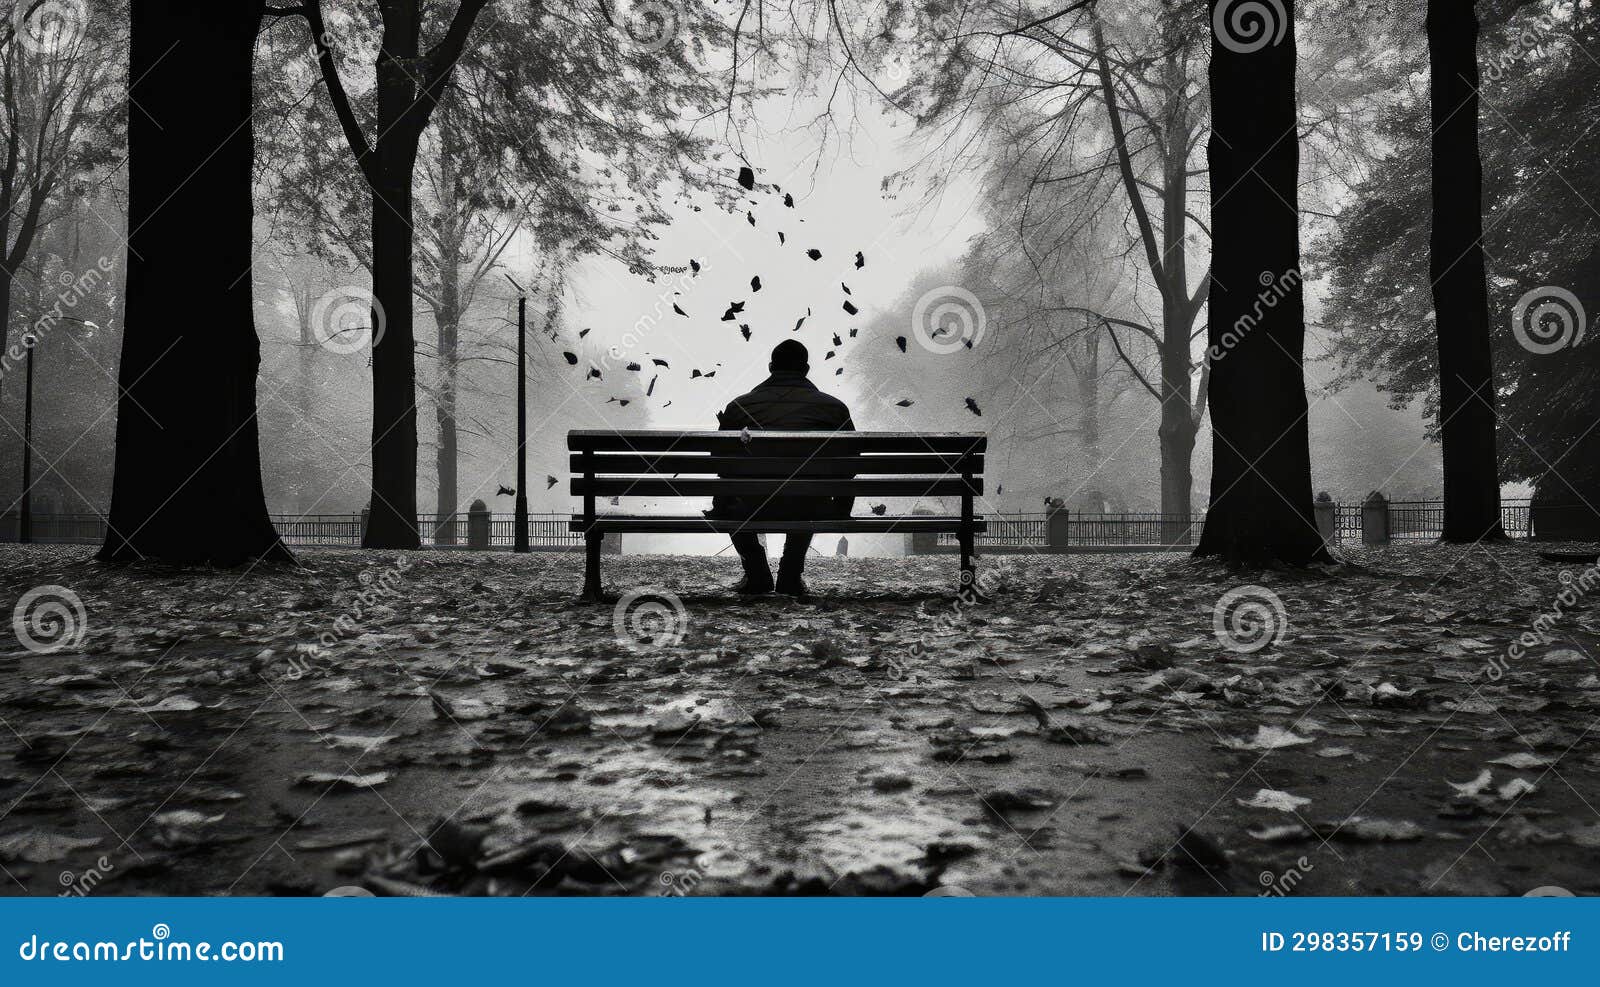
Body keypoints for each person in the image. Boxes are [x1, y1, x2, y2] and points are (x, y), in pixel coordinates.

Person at [709, 340, 855, 596]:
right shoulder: (834, 408)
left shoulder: (739, 407)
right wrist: (841, 509)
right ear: (807, 369)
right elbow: (851, 462)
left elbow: (720, 461)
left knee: (731, 496)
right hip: (811, 506)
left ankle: (756, 572)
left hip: (751, 504)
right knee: (807, 494)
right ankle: (790, 573)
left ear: (770, 367)